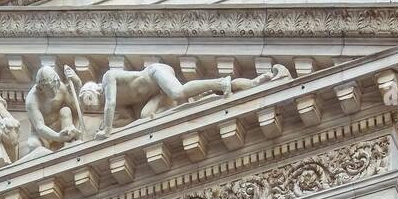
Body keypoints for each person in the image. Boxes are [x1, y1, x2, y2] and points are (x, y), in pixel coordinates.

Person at [80, 61, 291, 137]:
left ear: (94, 89)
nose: (92, 105)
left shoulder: (107, 79)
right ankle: (202, 100)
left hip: (156, 73)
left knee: (179, 93)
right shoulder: (117, 105)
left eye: (89, 99)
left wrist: (105, 129)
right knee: (145, 116)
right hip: (155, 94)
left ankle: (220, 84)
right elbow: (124, 119)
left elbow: (110, 104)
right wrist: (103, 130)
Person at [25, 64, 86, 153]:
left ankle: (69, 145)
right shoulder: (32, 100)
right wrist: (57, 137)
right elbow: (40, 126)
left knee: (66, 110)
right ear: (41, 88)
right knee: (33, 144)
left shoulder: (61, 88)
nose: (55, 91)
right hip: (42, 135)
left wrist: (78, 84)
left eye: (55, 86)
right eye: (50, 89)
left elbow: (77, 110)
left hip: (61, 128)